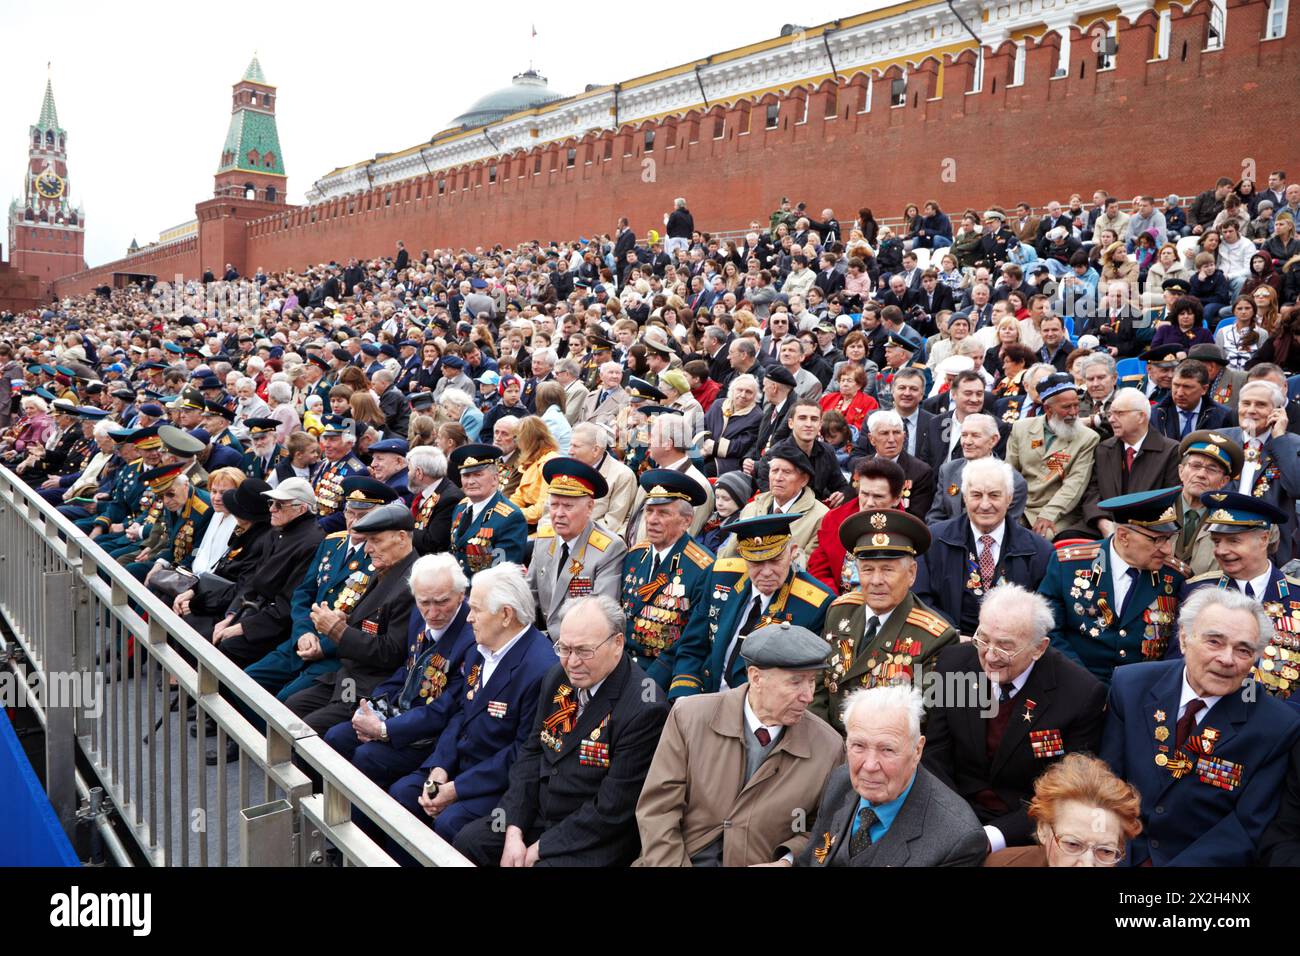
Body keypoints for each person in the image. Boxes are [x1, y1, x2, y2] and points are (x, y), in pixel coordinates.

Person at [454, 596, 668, 867]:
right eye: (564, 648)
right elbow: (531, 754)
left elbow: (612, 808)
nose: (572, 662)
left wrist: (538, 849)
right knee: (469, 841)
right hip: (541, 814)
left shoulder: (644, 708)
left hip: (592, 834)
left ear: (617, 644)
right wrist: (513, 829)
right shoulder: (558, 677)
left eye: (584, 651)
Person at [1100, 587, 1300, 865]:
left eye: (1243, 650)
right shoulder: (1131, 686)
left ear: (1255, 658)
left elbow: (1245, 827)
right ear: (1183, 639)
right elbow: (1106, 782)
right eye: (1214, 642)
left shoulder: (1276, 725)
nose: (1227, 659)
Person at [634, 623, 844, 866]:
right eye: (796, 682)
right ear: (756, 677)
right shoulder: (690, 717)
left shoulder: (828, 746)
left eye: (812, 681)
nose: (808, 696)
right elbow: (658, 810)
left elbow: (824, 828)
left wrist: (787, 861)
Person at [922, 583, 1106, 851]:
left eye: (1005, 646)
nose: (990, 655)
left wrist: (994, 837)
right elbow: (935, 753)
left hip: (1024, 829)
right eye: (983, 639)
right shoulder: (954, 664)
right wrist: (955, 821)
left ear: (1039, 648)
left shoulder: (1080, 694)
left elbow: (1067, 791)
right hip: (951, 810)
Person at [387, 562, 557, 851]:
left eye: (476, 609)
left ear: (505, 615)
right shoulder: (483, 648)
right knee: (402, 794)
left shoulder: (540, 669)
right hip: (460, 765)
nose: (468, 618)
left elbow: (521, 753)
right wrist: (440, 767)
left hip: (495, 783)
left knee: (450, 823)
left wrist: (456, 789)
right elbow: (461, 714)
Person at [322, 553, 476, 791]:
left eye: (442, 602)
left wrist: (385, 730)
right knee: (336, 737)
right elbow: (406, 671)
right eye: (425, 602)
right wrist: (371, 710)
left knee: (368, 757)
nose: (433, 612)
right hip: (400, 713)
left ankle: (363, 823)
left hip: (429, 735)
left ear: (461, 596)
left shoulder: (471, 637)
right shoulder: (418, 616)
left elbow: (444, 710)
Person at [798, 685, 987, 867]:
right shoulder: (840, 782)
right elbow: (809, 861)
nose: (870, 765)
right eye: (858, 746)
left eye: (887, 749)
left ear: (917, 750)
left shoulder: (958, 838)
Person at [812, 509, 958, 733]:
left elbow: (921, 717)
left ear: (911, 573)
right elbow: (818, 686)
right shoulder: (840, 611)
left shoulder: (935, 637)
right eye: (867, 570)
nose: (876, 581)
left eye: (888, 570)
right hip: (826, 742)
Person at [284, 500, 421, 735]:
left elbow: (390, 653)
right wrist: (343, 619)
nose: (367, 549)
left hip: (371, 687)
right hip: (347, 677)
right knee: (291, 707)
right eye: (367, 541)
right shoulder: (385, 571)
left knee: (308, 730)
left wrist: (337, 630)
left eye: (376, 541)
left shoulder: (412, 584)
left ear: (401, 537)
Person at [673, 513, 835, 697]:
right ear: (743, 557)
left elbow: (797, 679)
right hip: (704, 694)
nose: (766, 572)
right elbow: (692, 647)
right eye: (756, 562)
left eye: (775, 561)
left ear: (792, 553)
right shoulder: (721, 575)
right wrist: (685, 697)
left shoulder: (814, 604)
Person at [1040, 486, 1190, 684]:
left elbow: (1178, 645)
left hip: (1143, 689)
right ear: (1123, 536)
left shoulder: (1175, 576)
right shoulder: (1068, 565)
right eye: (1157, 540)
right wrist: (1084, 684)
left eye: (1169, 538)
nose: (1167, 549)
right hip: (1074, 683)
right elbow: (1048, 629)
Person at [915, 459, 1054, 635]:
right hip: (947, 645)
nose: (985, 505)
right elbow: (919, 600)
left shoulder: (1040, 552)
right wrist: (952, 636)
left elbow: (1044, 613)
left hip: (1011, 649)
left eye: (995, 495)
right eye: (976, 495)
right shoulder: (931, 541)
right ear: (965, 497)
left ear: (1009, 498)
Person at [621, 469, 714, 693]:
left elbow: (692, 641)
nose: (652, 520)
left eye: (663, 513)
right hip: (622, 664)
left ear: (686, 521)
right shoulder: (636, 554)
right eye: (649, 511)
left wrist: (646, 683)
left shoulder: (703, 567)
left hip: (663, 672)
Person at [984, 754, 1144, 866]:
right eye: (1073, 844)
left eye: (1105, 851)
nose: (1087, 864)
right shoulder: (1000, 864)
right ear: (1042, 829)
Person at [527, 456, 627, 632]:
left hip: (579, 642)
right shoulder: (544, 538)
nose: (558, 513)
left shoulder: (609, 549)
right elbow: (531, 594)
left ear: (589, 508)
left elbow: (599, 615)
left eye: (567, 506)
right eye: (554, 505)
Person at [1005, 373, 1099, 540]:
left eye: (1076, 405)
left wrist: (1049, 514)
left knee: (1039, 539)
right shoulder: (1021, 428)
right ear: (1048, 409)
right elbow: (1009, 473)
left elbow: (1074, 485)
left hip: (1059, 511)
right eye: (1066, 407)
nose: (1073, 412)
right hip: (1020, 506)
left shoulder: (1087, 438)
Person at [1081, 387, 1182, 537]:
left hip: (1150, 529)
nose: (1111, 419)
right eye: (1110, 414)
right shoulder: (1104, 449)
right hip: (1106, 523)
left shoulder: (1171, 451)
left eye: (1119, 414)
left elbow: (1171, 500)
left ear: (1141, 417)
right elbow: (1093, 492)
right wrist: (1102, 522)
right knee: (1067, 537)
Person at [1218, 379, 1300, 560]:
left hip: (1271, 546)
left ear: (1278, 411)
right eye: (1246, 403)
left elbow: (1296, 488)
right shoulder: (1219, 440)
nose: (1251, 410)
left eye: (1261, 405)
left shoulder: (1292, 444)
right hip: (1220, 538)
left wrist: (1279, 439)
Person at [809, 458, 906, 595]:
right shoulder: (835, 519)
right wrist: (835, 602)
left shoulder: (908, 531)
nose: (869, 503)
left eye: (878, 496)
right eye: (864, 494)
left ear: (896, 499)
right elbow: (819, 569)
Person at [717, 446, 827, 564]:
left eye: (786, 472)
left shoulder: (821, 517)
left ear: (804, 480)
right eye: (774, 471)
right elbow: (724, 558)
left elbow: (811, 566)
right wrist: (740, 536)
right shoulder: (751, 508)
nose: (778, 478)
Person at [925, 413, 1028, 523]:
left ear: (993, 440)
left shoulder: (1014, 481)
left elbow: (1007, 529)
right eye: (964, 435)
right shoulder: (948, 470)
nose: (967, 442)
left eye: (975, 436)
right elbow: (936, 515)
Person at [447, 444, 528, 578]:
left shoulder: (510, 517)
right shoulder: (460, 508)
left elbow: (503, 575)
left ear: (495, 479)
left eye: (478, 475)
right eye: (466, 476)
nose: (471, 481)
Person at [406, 445, 464, 556]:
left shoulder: (450, 499)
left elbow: (433, 542)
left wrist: (403, 531)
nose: (407, 474)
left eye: (409, 470)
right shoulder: (422, 490)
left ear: (419, 472)